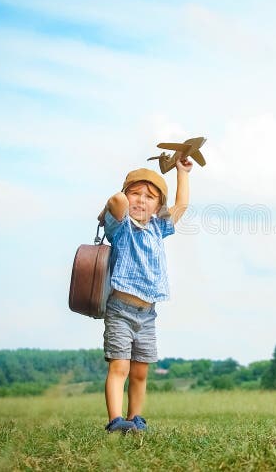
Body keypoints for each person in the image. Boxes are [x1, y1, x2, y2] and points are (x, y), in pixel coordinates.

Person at [99, 158, 192, 433]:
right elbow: (117, 200)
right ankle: (116, 420)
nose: (141, 200)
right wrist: (115, 204)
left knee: (140, 372)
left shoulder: (158, 227)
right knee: (120, 367)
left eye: (149, 197)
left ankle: (135, 418)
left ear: (158, 206)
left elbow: (182, 205)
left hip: (148, 315)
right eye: (135, 193)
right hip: (120, 310)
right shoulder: (120, 225)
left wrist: (182, 172)